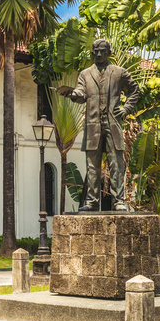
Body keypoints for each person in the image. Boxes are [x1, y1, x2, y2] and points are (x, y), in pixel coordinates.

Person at [57, 39, 140, 211]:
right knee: (92, 166)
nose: (99, 54)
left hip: (113, 123)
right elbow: (81, 93)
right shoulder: (85, 74)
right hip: (93, 125)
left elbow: (135, 89)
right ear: (92, 53)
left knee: (116, 164)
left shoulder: (119, 72)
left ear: (109, 52)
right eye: (96, 51)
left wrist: (126, 109)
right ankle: (92, 201)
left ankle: (119, 201)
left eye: (102, 51)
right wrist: (72, 94)